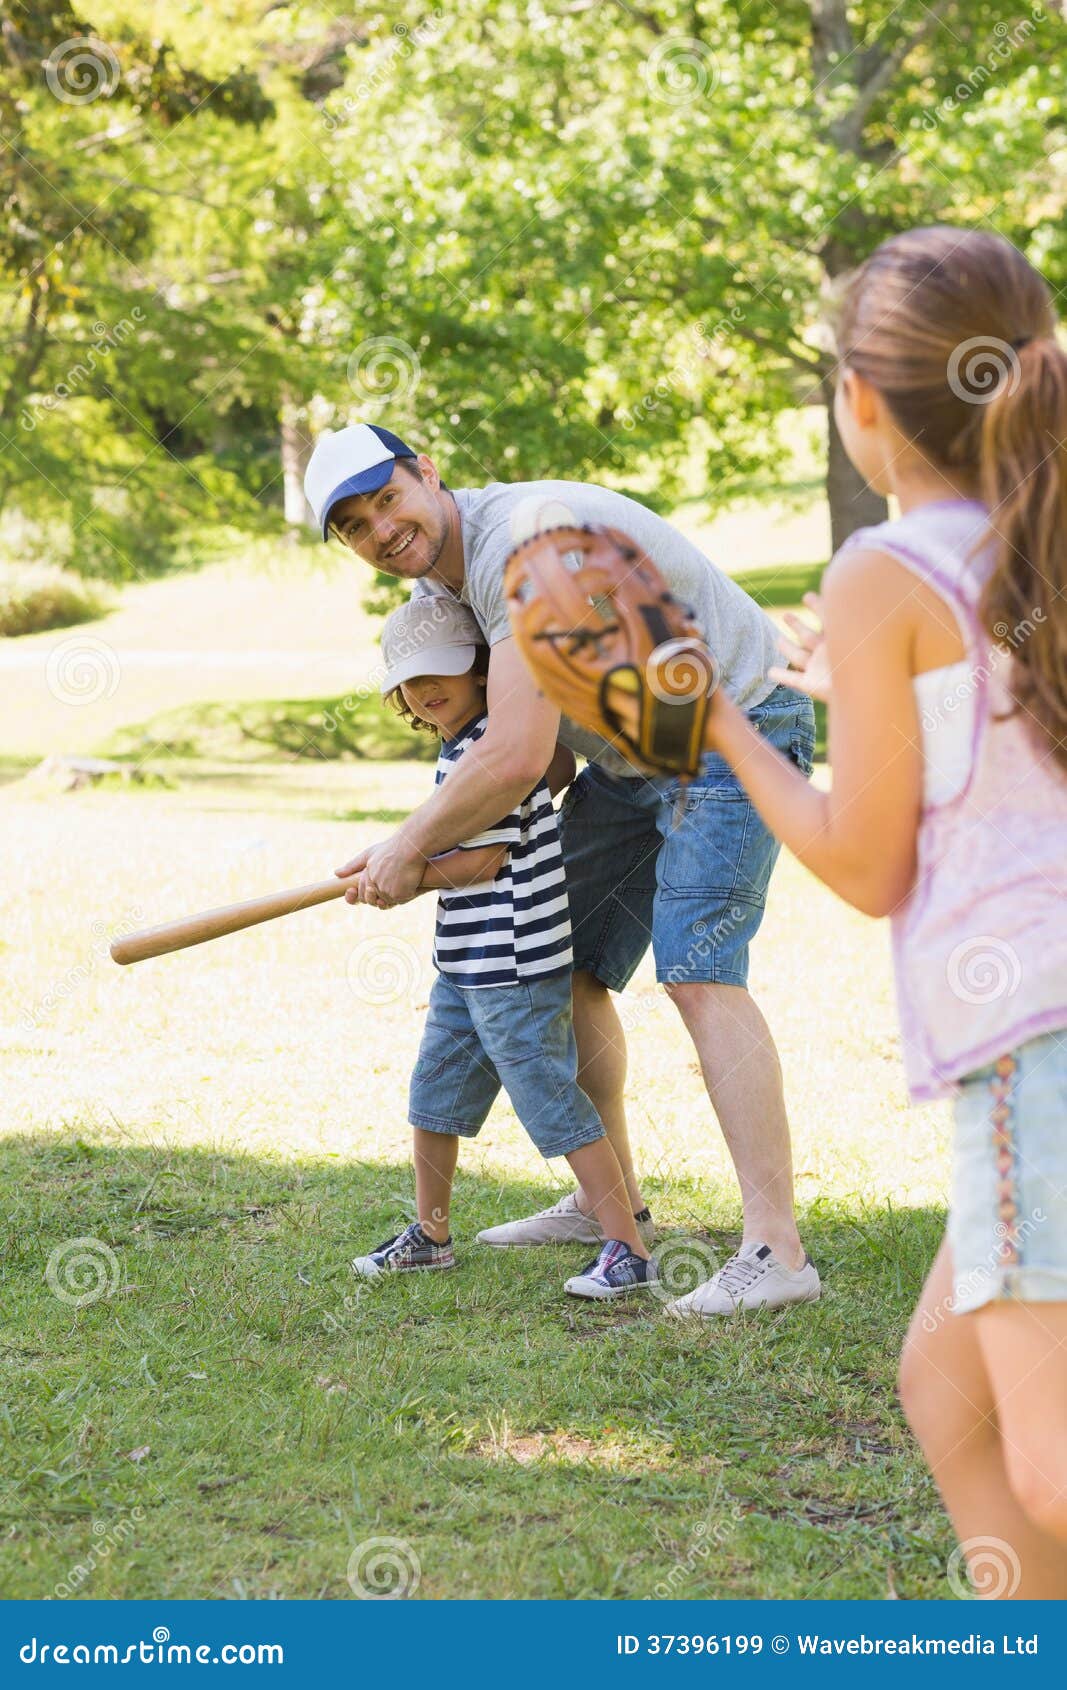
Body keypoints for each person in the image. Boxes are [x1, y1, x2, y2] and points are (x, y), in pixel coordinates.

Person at [690, 226, 1067, 1592]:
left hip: (1034, 1037)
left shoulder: (883, 568)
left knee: (1047, 1463)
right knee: (941, 1387)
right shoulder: (1034, 539)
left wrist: (725, 720)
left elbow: (865, 865)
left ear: (855, 400)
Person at [304, 423, 819, 1317]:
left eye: (387, 498)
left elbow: (512, 754)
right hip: (631, 763)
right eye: (354, 525)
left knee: (697, 973)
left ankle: (776, 1251)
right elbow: (537, 756)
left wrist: (407, 846)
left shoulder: (522, 546)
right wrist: (434, 845)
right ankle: (605, 1203)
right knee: (565, 956)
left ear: (427, 472)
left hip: (733, 732)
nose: (380, 529)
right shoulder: (447, 579)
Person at [348, 594, 656, 1301]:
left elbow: (479, 863)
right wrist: (392, 855)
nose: (427, 692)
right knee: (434, 1096)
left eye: (444, 673)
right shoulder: (476, 745)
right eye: (411, 681)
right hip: (465, 962)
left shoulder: (490, 752)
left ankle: (626, 1245)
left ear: (485, 669)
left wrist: (401, 878)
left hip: (513, 963)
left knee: (551, 1100)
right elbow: (553, 771)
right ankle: (429, 1236)